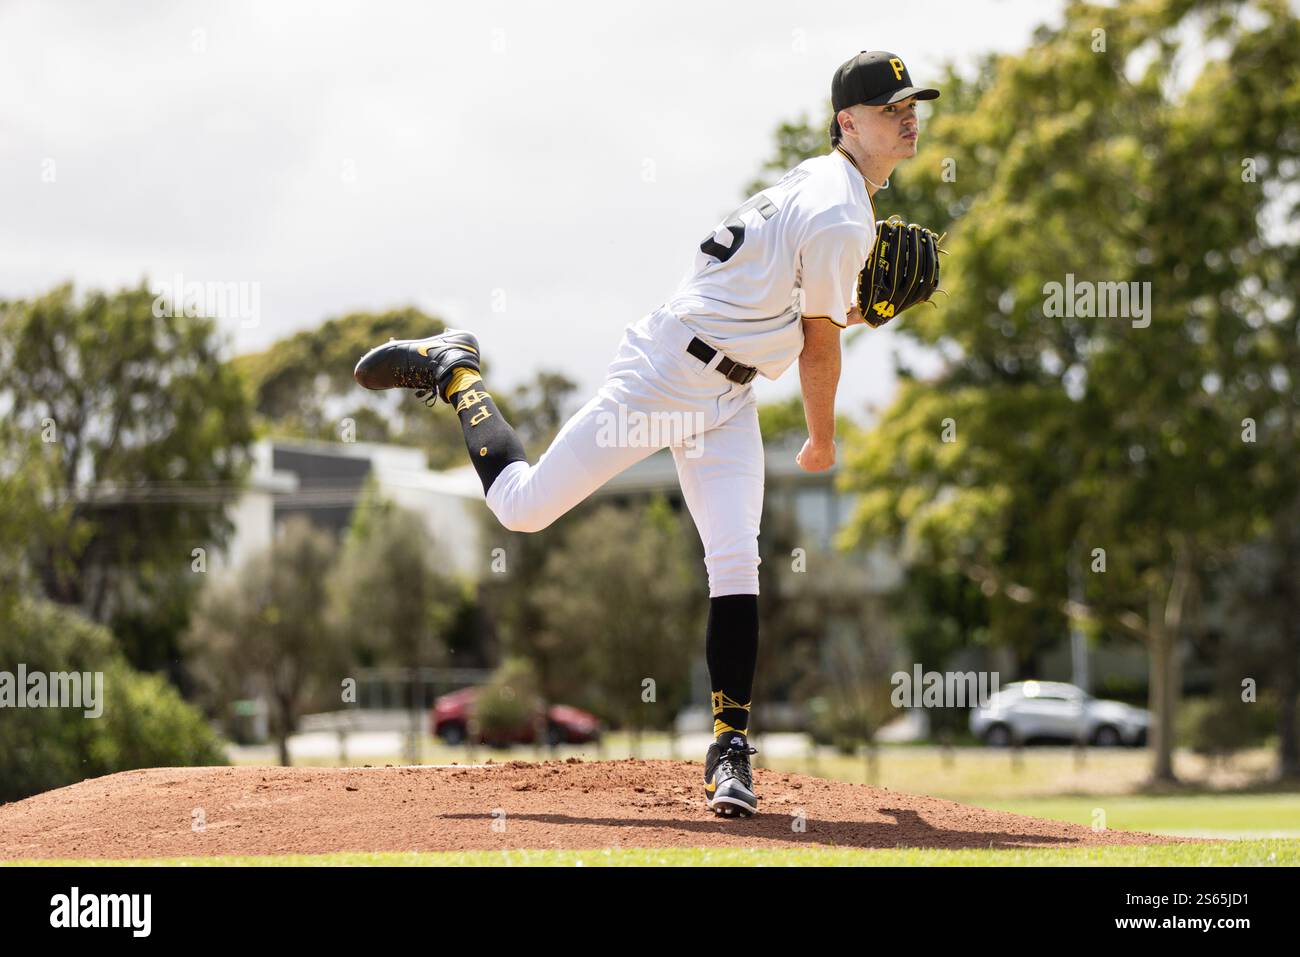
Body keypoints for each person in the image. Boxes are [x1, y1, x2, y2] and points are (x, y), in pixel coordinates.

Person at [354, 50, 938, 817]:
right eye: (890, 105)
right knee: (521, 507)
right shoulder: (837, 209)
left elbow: (794, 312)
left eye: (912, 103)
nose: (908, 115)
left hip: (726, 395)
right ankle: (455, 370)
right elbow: (819, 343)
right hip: (665, 378)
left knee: (735, 564)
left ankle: (729, 750)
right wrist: (821, 440)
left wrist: (866, 310)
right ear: (846, 121)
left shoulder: (829, 192)